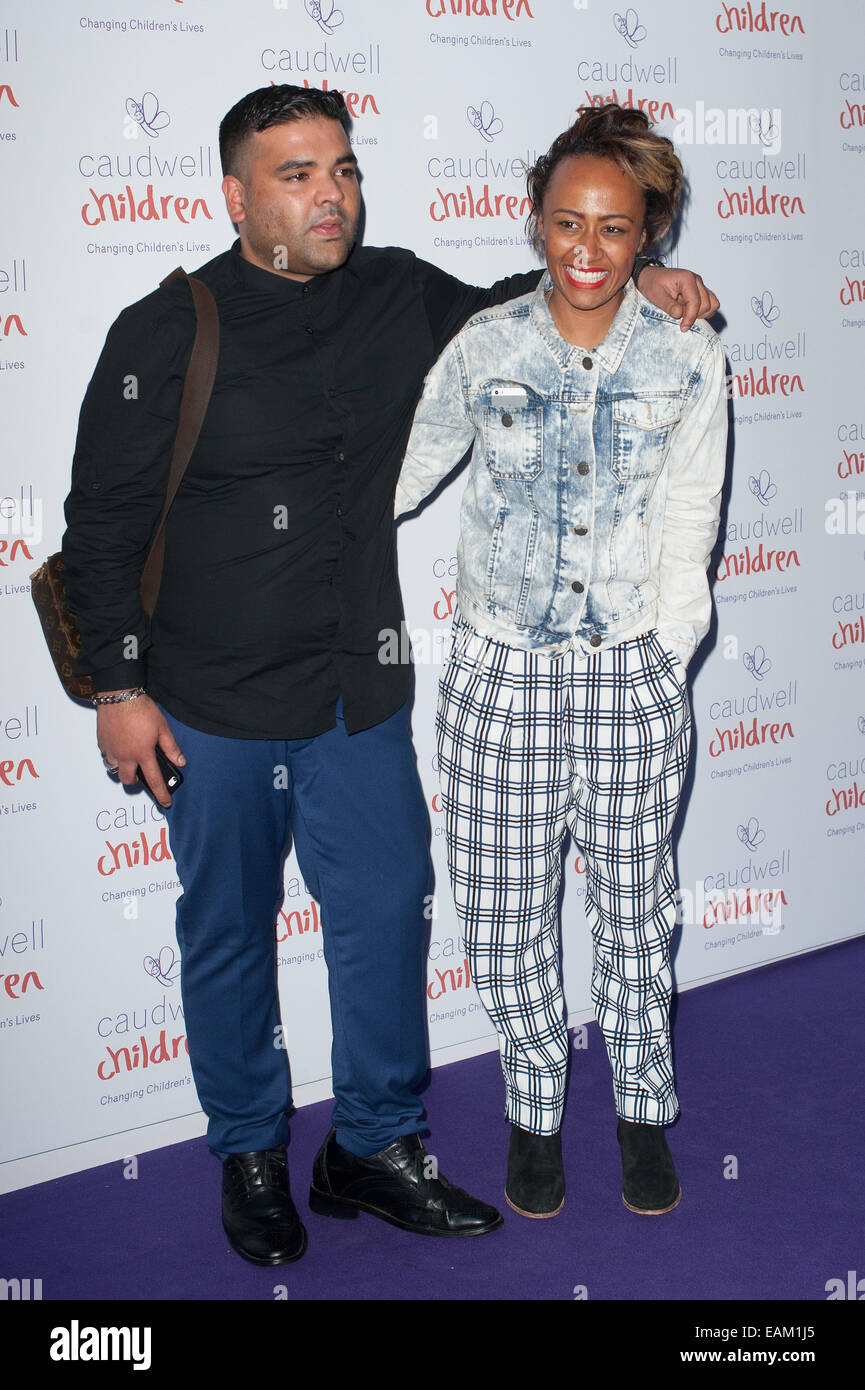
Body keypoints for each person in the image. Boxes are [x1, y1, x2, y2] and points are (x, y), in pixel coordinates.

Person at [61, 85, 719, 1265]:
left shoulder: (402, 291)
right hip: (208, 705)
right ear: (235, 195)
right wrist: (118, 687)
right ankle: (252, 1149)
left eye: (345, 169)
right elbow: (101, 524)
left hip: (357, 697)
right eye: (298, 173)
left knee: (380, 922)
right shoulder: (165, 330)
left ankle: (371, 1144)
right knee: (226, 934)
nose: (331, 194)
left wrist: (651, 282)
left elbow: (544, 310)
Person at [395, 103, 728, 1221]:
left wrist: (663, 657)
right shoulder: (484, 345)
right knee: (502, 916)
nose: (587, 252)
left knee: (637, 909)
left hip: (630, 669)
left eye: (616, 229)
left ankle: (641, 1106)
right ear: (534, 221)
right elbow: (398, 475)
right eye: (567, 224)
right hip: (497, 674)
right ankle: (534, 1104)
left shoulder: (686, 352)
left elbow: (694, 517)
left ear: (651, 235)